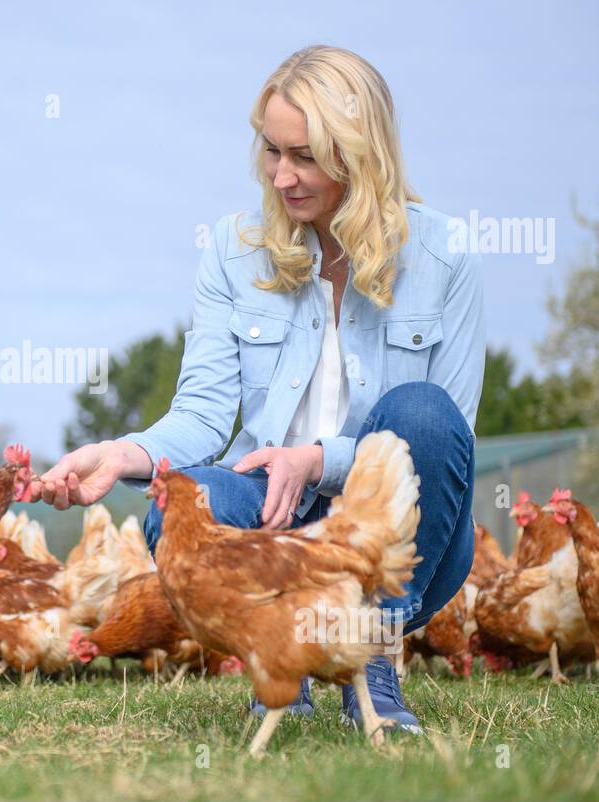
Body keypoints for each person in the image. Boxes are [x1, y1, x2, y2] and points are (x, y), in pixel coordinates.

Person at [27, 45, 484, 735]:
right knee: (191, 505)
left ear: (359, 153)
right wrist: (123, 454)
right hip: (272, 525)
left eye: (304, 155)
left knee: (422, 410)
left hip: (391, 540)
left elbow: (451, 439)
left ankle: (374, 656)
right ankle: (277, 663)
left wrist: (317, 462)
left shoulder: (446, 255)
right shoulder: (233, 250)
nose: (282, 175)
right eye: (271, 151)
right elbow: (204, 412)